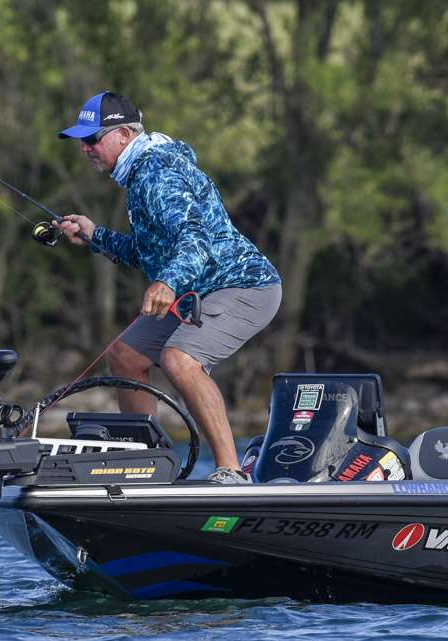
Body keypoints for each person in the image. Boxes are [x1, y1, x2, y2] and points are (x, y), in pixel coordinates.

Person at [54, 91, 282, 484]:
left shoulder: (158, 173)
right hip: (196, 292)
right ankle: (146, 464)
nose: (86, 148)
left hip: (245, 287)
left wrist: (166, 282)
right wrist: (95, 236)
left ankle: (231, 472)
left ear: (125, 134)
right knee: (126, 356)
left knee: (179, 359)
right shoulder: (140, 174)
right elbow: (146, 252)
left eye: (92, 138)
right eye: (81, 141)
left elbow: (195, 241)